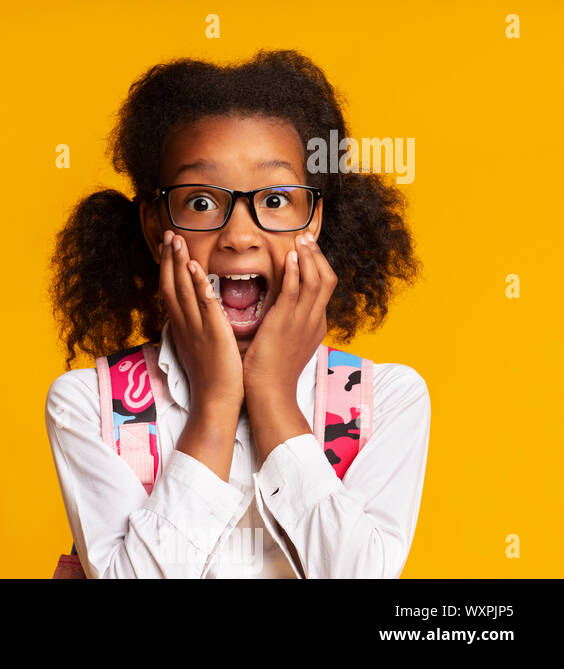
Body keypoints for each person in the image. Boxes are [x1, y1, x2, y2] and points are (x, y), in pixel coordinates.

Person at [45, 50, 428, 578]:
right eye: (201, 202)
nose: (240, 235)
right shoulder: (91, 406)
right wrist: (217, 403)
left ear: (312, 221)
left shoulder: (384, 400)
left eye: (275, 200)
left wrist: (272, 394)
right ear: (158, 230)